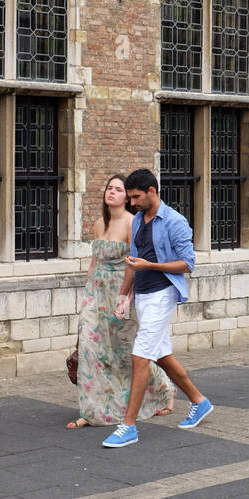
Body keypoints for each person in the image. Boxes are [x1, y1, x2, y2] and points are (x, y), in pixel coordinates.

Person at [102, 169, 213, 449]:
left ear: (152, 191)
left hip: (163, 294)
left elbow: (188, 264)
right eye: (129, 198)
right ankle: (199, 401)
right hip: (143, 295)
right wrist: (124, 295)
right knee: (162, 355)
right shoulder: (139, 220)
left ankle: (128, 426)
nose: (132, 203)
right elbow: (133, 261)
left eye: (136, 197)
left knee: (140, 356)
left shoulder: (175, 221)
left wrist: (150, 266)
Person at [67, 175, 175, 428]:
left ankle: (163, 388)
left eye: (118, 189)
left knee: (125, 352)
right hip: (96, 294)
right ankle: (92, 410)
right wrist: (87, 293)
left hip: (121, 293)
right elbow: (94, 262)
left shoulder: (132, 223)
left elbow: (133, 264)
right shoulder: (98, 224)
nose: (112, 192)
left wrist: (126, 297)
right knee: (90, 350)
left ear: (127, 197)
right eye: (109, 188)